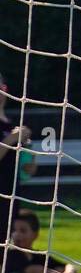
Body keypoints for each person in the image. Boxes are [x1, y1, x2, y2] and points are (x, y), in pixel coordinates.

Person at [0, 75, 36, 235]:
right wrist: (11, 139)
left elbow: (28, 171)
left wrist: (30, 154)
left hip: (11, 195)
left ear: (5, 90)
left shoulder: (11, 125)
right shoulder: (12, 134)